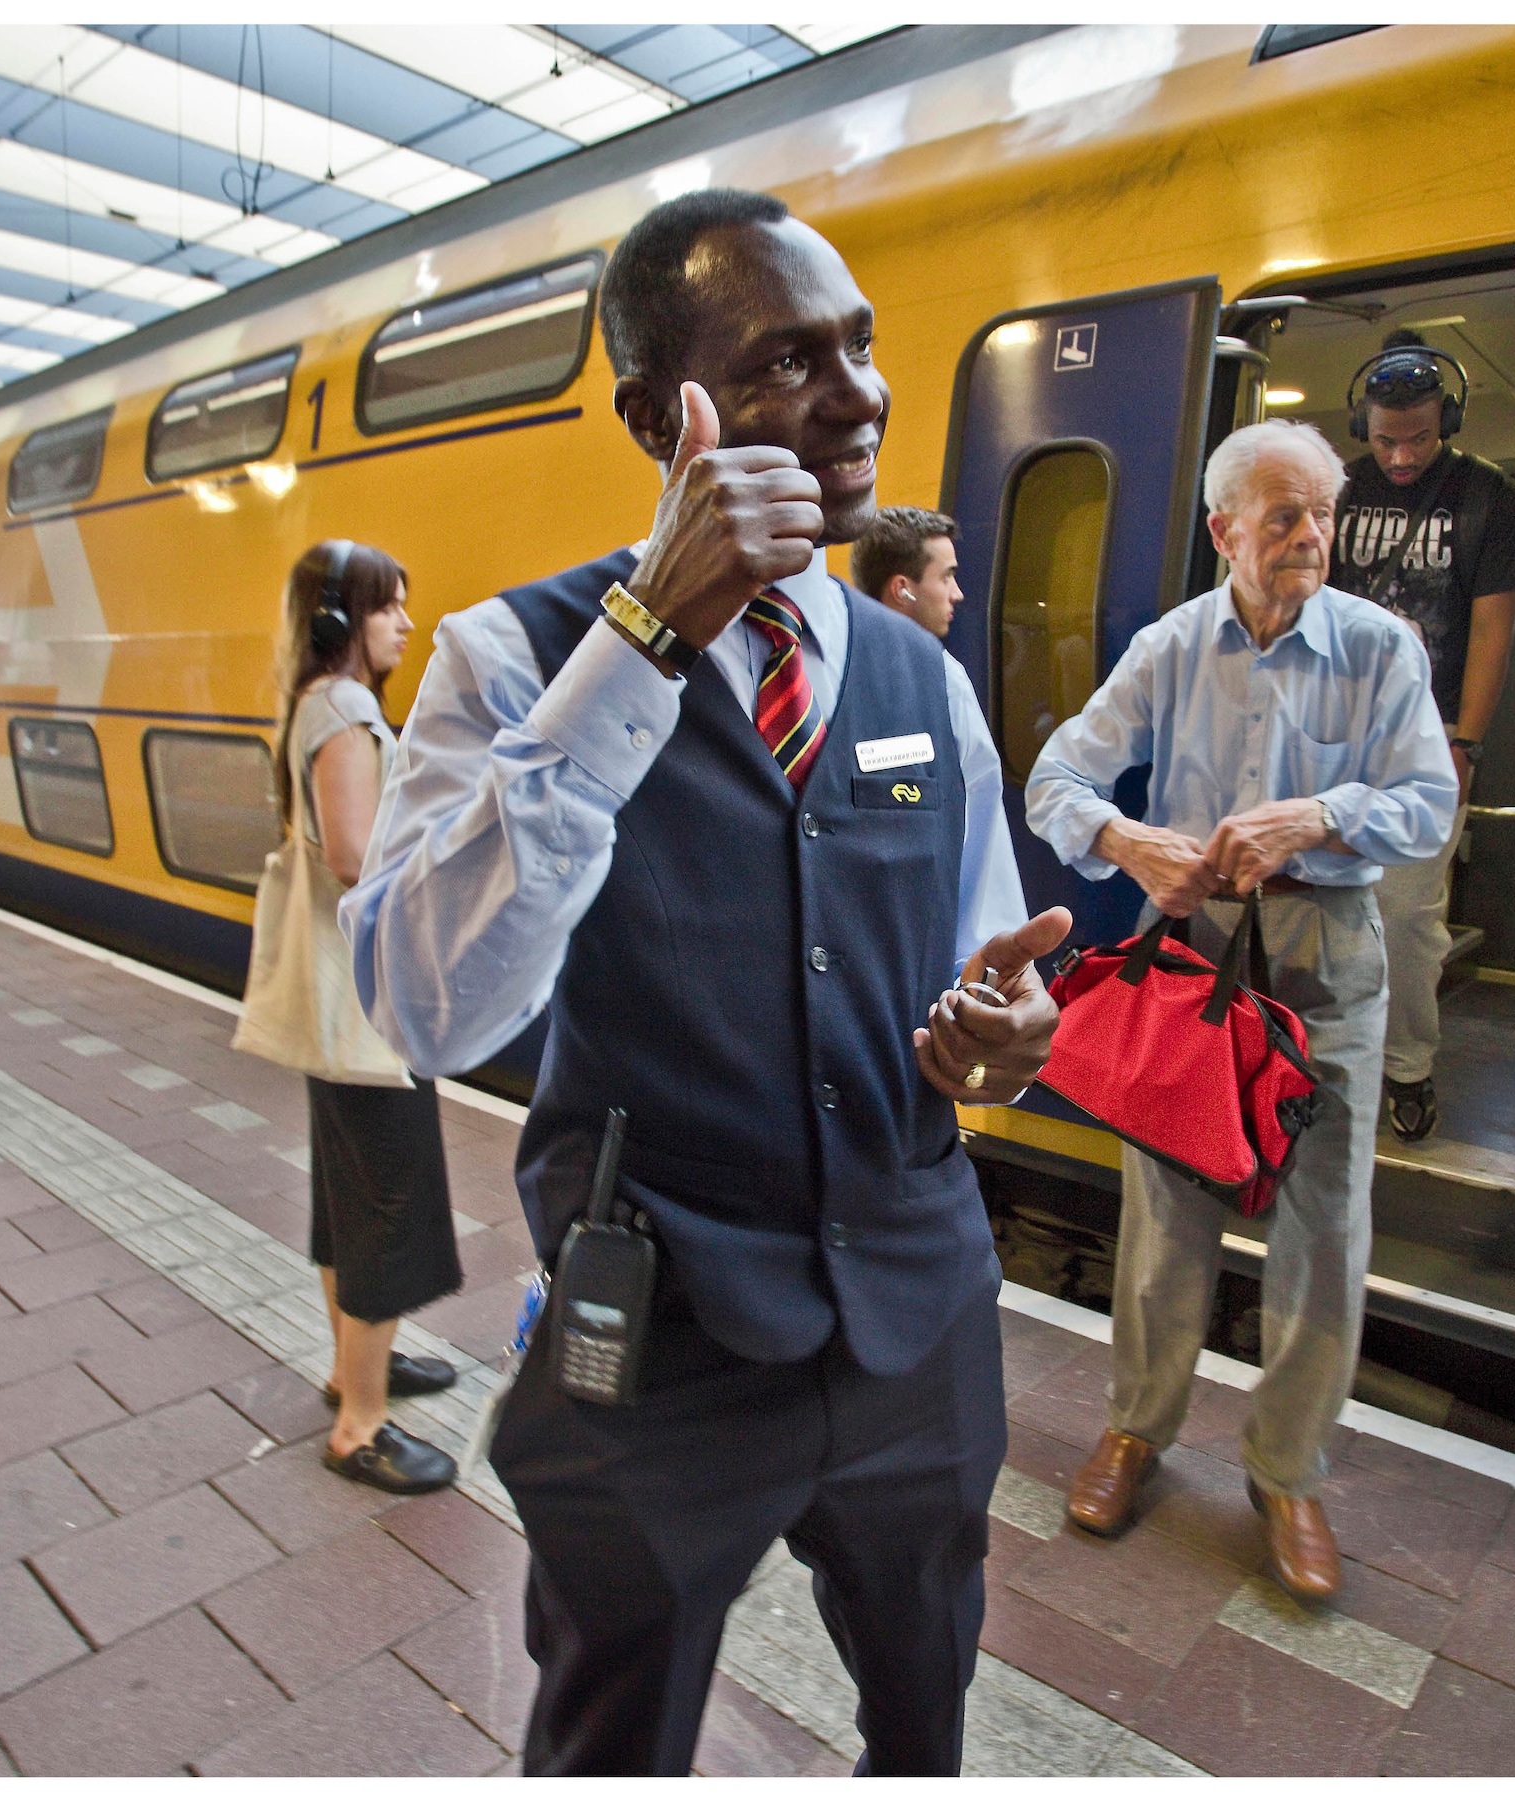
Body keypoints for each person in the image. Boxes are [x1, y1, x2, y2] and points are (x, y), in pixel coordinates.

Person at [343, 188, 1067, 1776]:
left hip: (913, 1322)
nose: (860, 394)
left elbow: (983, 976)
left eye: (861, 346)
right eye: (786, 359)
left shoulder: (915, 676)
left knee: (926, 1703)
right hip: (653, 1350)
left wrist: (1000, 1044)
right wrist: (647, 636)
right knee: (614, 1731)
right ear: (655, 417)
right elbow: (422, 1006)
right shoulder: (509, 660)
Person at [1026, 418, 1457, 1599]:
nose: (1308, 536)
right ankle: (1137, 1430)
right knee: (1167, 1210)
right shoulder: (1170, 648)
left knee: (1323, 1227)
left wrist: (1320, 816)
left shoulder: (1378, 648)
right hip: (1195, 954)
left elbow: (1428, 804)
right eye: (1281, 516)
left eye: (1320, 513)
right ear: (1224, 530)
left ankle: (1287, 1474)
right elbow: (1052, 778)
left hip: (1329, 957)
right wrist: (1121, 838)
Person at [253, 540, 464, 1493]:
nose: (407, 623)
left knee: (345, 1203)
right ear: (344, 621)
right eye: (390, 607)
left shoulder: (312, 703)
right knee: (388, 1205)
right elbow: (353, 856)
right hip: (369, 1003)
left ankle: (353, 1370)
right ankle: (361, 1428)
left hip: (337, 1002)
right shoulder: (344, 710)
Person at [1332, 330, 1515, 1141]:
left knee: (1409, 915)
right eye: (1387, 438)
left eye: (1419, 436)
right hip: (1334, 738)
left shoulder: (1487, 496)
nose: (1404, 454)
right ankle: (1329, 1063)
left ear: (1446, 418)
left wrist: (1467, 742)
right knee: (1321, 907)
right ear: (1364, 427)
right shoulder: (1335, 490)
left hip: (1429, 741)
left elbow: (1493, 633)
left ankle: (1407, 1065)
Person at [851, 504, 962, 639]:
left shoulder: (841, 652)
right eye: (946, 577)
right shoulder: (933, 660)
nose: (957, 595)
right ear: (901, 590)